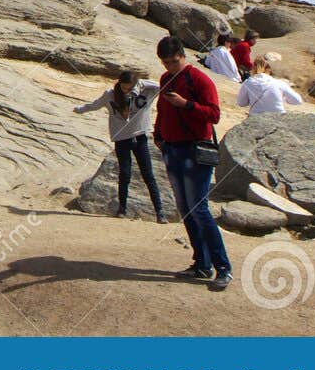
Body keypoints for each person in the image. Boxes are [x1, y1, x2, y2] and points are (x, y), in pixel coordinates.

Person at [153, 35, 230, 289]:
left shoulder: (199, 79)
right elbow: (163, 110)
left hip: (195, 150)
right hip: (172, 149)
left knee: (199, 208)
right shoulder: (166, 79)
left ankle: (223, 268)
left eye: (174, 62)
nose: (170, 67)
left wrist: (187, 105)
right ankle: (201, 264)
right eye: (165, 63)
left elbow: (215, 115)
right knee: (186, 209)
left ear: (183, 56)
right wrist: (159, 134)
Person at [74, 70, 166, 222]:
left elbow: (162, 85)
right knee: (124, 174)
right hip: (122, 139)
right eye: (124, 87)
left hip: (140, 137)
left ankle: (160, 212)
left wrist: (141, 83)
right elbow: (94, 105)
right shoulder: (111, 95)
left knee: (148, 174)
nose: (127, 91)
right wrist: (80, 109)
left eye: (130, 88)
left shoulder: (145, 91)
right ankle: (122, 209)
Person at [236, 54, 303, 115]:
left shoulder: (247, 83)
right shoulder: (279, 83)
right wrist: (284, 99)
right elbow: (297, 100)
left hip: (256, 117)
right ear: (269, 70)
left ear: (253, 68)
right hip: (279, 117)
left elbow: (241, 103)